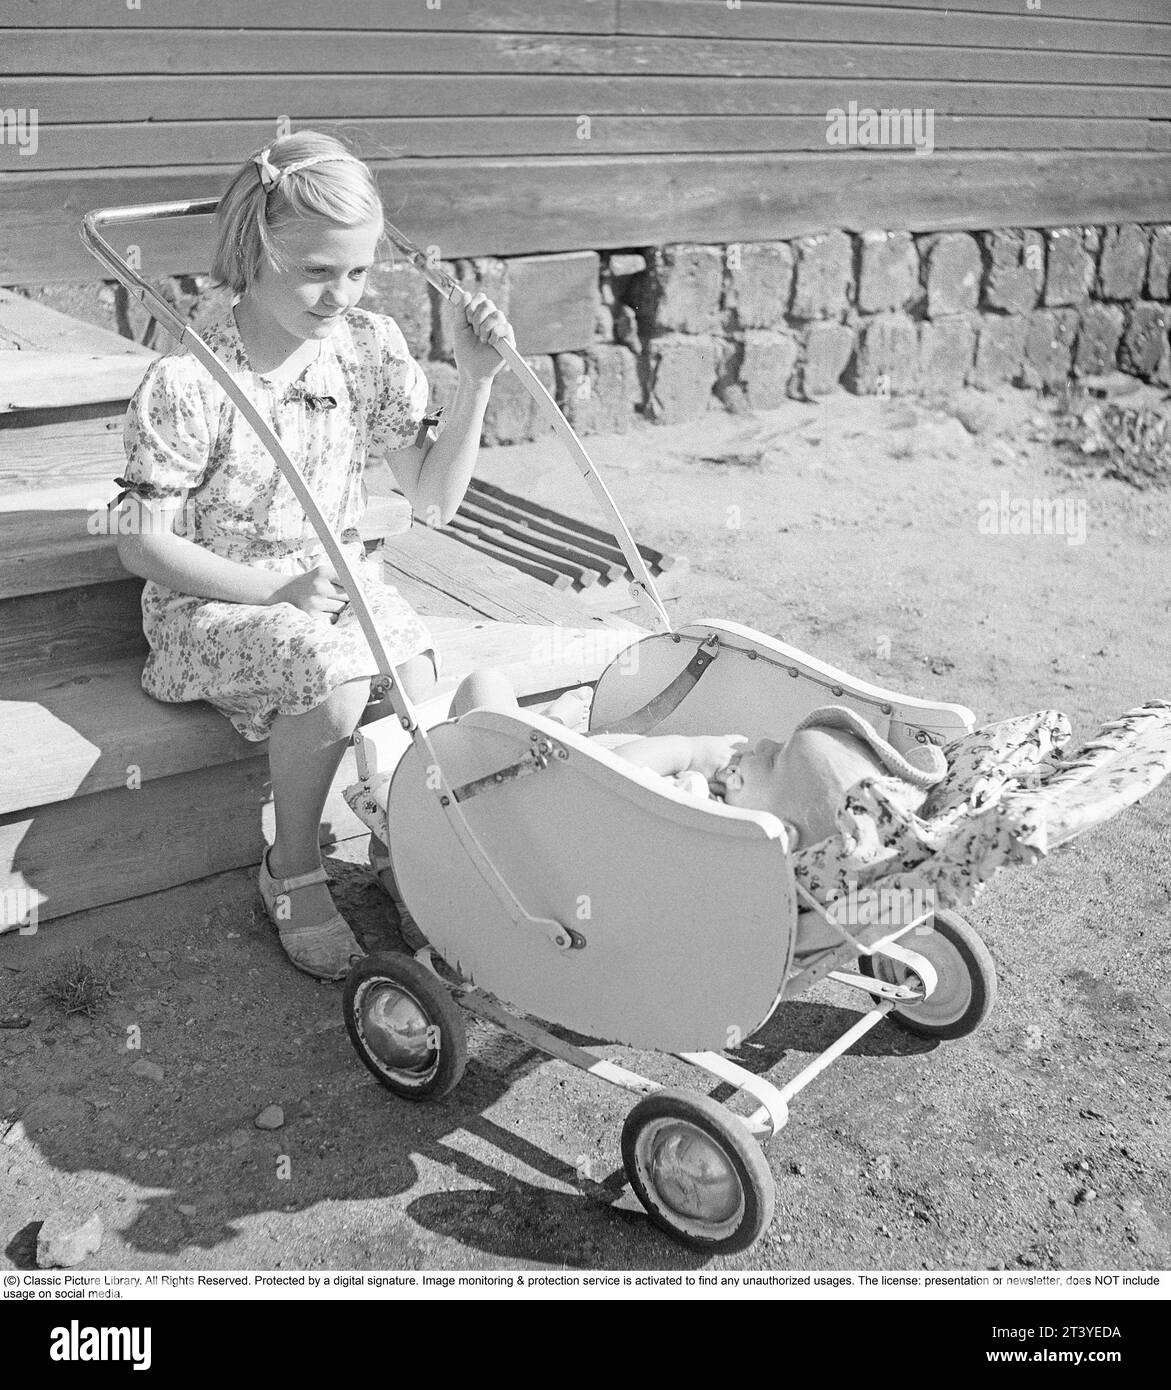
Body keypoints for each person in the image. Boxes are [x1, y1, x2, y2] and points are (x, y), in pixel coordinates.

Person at [113, 131, 515, 980]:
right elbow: (140, 544)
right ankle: (292, 867)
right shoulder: (189, 381)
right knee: (335, 674)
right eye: (316, 273)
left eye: (358, 272)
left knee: (413, 667)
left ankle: (404, 846)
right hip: (216, 602)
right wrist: (279, 588)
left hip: (331, 586)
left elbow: (434, 501)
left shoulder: (366, 347)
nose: (341, 295)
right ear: (253, 253)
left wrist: (474, 379)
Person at [448, 669, 948, 851]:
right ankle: (559, 724)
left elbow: (613, 773)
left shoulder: (690, 807)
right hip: (572, 774)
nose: (755, 746)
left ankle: (548, 728)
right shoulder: (752, 849)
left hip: (532, 803)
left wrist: (687, 751)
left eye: (767, 759)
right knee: (578, 729)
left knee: (483, 685)